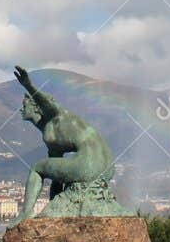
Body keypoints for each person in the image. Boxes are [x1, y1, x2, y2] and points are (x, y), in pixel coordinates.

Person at [12, 65, 115, 223]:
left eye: (24, 106)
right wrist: (54, 205)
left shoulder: (57, 116)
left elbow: (47, 104)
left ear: (36, 107)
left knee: (36, 169)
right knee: (47, 169)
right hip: (108, 168)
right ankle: (47, 210)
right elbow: (57, 179)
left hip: (89, 164)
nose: (21, 110)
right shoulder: (49, 131)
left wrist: (28, 85)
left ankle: (25, 214)